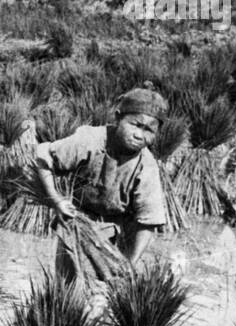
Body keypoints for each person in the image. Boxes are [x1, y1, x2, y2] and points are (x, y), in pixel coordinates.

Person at [30, 86, 168, 284]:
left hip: (118, 232)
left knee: (105, 290)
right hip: (76, 222)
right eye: (136, 125)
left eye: (149, 130)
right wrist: (56, 199)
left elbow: (147, 222)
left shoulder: (146, 166)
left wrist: (128, 264)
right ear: (118, 117)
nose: (139, 135)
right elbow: (43, 155)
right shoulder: (91, 140)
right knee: (66, 286)